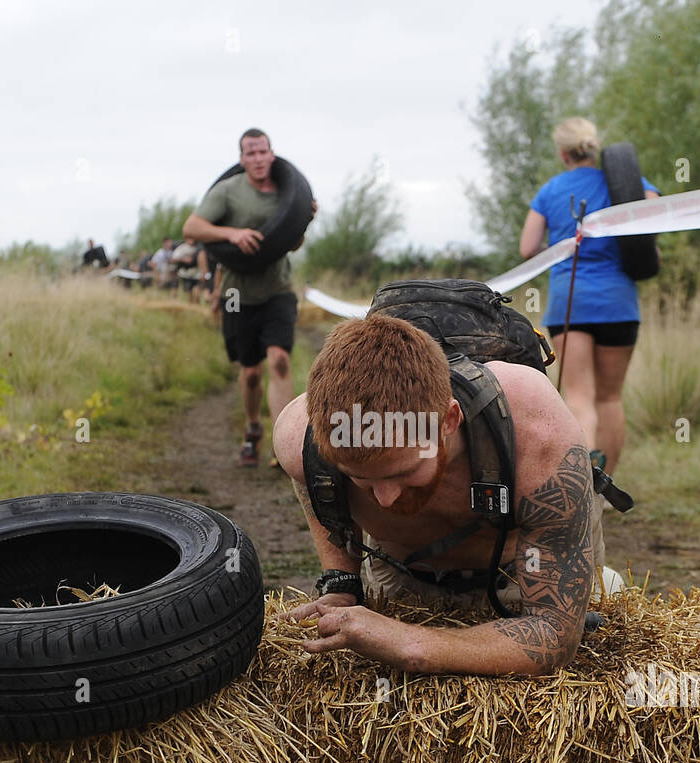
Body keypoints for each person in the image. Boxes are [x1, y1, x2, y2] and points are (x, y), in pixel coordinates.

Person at [272, 314, 600, 677]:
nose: (384, 498)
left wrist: (411, 644)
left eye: (404, 472)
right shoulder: (299, 441)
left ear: (448, 421)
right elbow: (314, 485)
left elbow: (554, 634)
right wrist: (341, 580)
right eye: (360, 478)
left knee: (603, 598)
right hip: (404, 574)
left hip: (520, 573)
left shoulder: (538, 436)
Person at [518, 117, 659, 479]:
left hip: (571, 304)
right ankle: (607, 488)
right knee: (610, 397)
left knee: (578, 397)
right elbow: (653, 209)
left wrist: (560, 240)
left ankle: (582, 490)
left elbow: (527, 247)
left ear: (564, 153)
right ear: (592, 148)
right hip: (618, 302)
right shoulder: (621, 182)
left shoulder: (551, 190)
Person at [183, 128, 312, 467]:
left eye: (262, 151)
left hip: (278, 289)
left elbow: (290, 244)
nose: (257, 158)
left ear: (272, 154)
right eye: (250, 153)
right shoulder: (228, 192)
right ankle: (253, 427)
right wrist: (232, 233)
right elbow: (192, 228)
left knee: (279, 360)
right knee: (251, 370)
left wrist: (303, 220)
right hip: (237, 293)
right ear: (242, 159)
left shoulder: (287, 191)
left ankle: (283, 445)